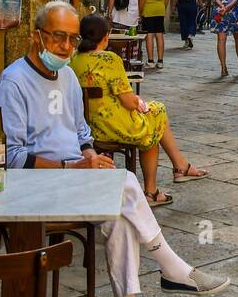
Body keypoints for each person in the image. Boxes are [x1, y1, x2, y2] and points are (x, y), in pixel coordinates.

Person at [0, 1, 230, 297]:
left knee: (121, 212)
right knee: (127, 185)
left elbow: (81, 131)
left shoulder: (69, 76)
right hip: (36, 187)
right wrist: (72, 169)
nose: (66, 47)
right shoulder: (13, 83)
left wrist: (88, 154)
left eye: (72, 40)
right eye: (58, 37)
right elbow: (9, 158)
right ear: (36, 36)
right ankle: (170, 267)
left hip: (73, 178)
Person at [71, 14, 208, 207]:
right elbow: (128, 101)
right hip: (113, 125)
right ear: (105, 36)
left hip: (88, 126)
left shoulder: (74, 60)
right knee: (156, 116)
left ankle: (178, 169)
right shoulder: (109, 60)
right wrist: (138, 102)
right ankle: (162, 182)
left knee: (152, 119)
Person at [138, 0, 169, 69]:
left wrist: (140, 10)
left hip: (149, 9)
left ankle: (151, 61)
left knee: (150, 35)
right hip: (160, 9)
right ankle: (160, 61)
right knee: (159, 34)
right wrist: (163, 7)